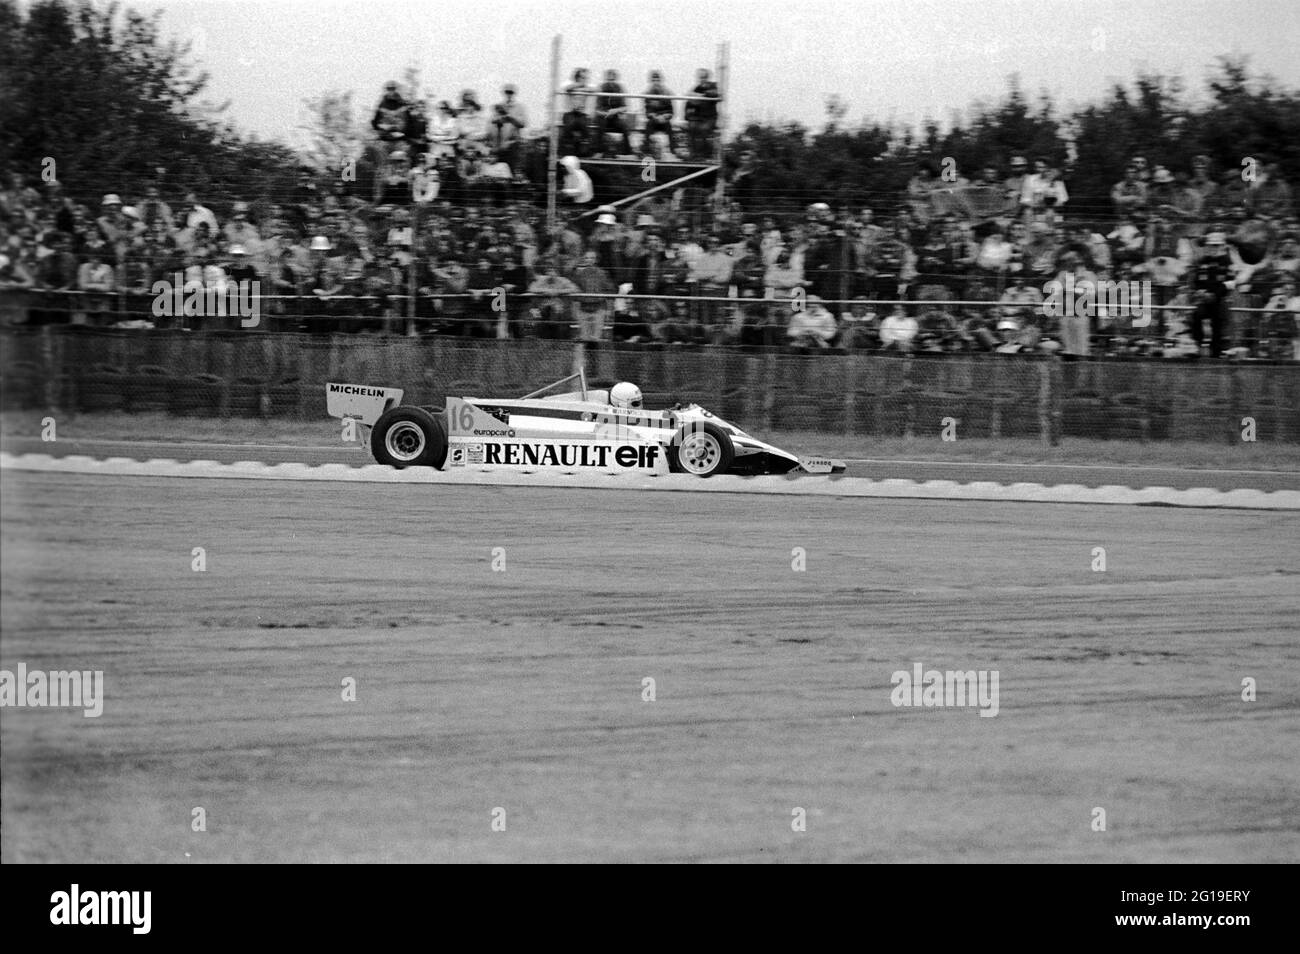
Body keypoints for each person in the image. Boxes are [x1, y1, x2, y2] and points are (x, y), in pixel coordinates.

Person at [684, 68, 719, 159]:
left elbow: (715, 94)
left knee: (703, 129)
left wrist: (702, 95)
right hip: (698, 118)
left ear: (708, 77)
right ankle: (693, 154)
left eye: (705, 77)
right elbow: (689, 103)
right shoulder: (696, 88)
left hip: (710, 117)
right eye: (701, 77)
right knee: (691, 127)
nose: (703, 79)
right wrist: (688, 116)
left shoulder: (713, 86)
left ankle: (705, 154)